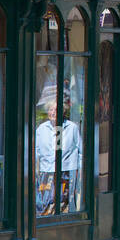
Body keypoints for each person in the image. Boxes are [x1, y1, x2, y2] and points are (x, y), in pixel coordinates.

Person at [35, 86, 83, 216]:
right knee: (46, 202)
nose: (53, 112)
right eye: (51, 109)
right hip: (47, 170)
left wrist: (79, 170)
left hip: (66, 170)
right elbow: (36, 152)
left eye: (56, 110)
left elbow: (80, 151)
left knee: (64, 201)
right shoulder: (41, 129)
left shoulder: (71, 127)